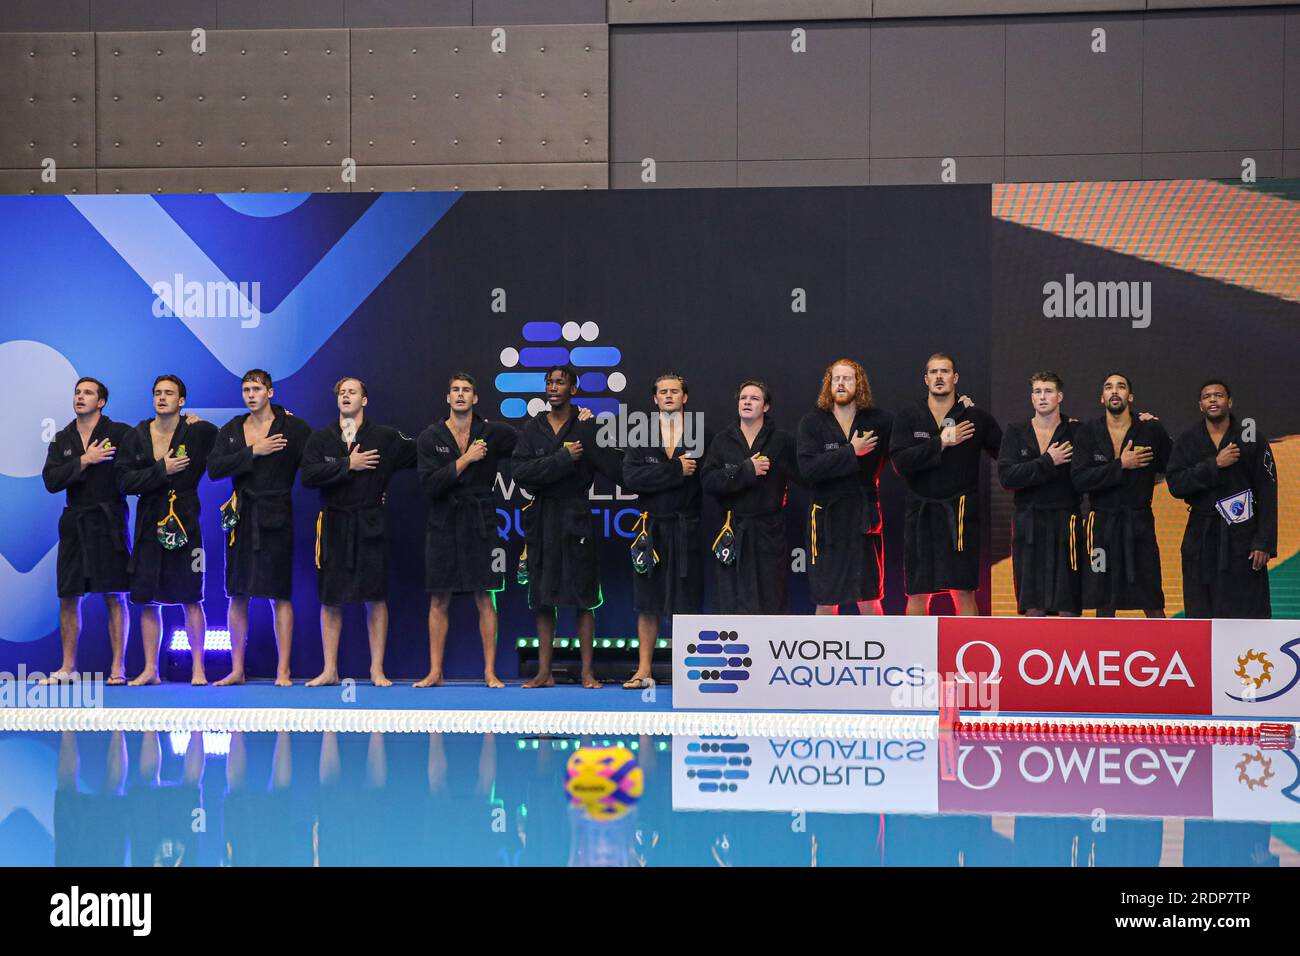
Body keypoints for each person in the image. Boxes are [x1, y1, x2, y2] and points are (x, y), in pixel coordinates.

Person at [511, 364, 623, 688]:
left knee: (584, 595)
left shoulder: (585, 425)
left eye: (560, 382)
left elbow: (612, 466)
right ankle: (544, 672)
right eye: (549, 382)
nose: (553, 387)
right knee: (543, 596)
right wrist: (561, 459)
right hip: (543, 516)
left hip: (576, 515)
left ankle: (587, 671)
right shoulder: (532, 429)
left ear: (573, 390)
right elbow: (521, 473)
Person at [300, 377, 417, 686]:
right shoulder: (321, 438)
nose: (346, 396)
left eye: (352, 392)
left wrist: (458, 428)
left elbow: (423, 451)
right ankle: (329, 669)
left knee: (375, 597)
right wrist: (346, 464)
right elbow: (308, 476)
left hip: (369, 524)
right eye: (341, 392)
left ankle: (376, 669)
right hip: (334, 525)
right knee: (330, 598)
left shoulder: (385, 437)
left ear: (364, 400)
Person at [206, 369, 312, 686]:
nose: (251, 394)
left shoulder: (293, 427)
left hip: (276, 513)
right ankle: (237, 669)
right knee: (237, 593)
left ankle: (283, 670)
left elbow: (314, 465)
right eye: (246, 390)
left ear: (270, 392)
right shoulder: (233, 429)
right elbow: (213, 468)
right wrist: (254, 451)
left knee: (279, 594)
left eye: (256, 389)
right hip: (242, 515)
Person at [415, 372, 518, 689]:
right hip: (443, 521)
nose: (460, 394)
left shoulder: (492, 432)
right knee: (438, 599)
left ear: (475, 398)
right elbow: (430, 484)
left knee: (486, 597)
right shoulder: (431, 436)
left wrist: (579, 420)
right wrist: (467, 459)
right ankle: (435, 671)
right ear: (448, 398)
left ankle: (490, 671)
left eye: (466, 390)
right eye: (455, 390)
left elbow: (536, 440)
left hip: (481, 522)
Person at [116, 375, 219, 685]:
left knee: (192, 596)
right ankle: (151, 669)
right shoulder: (136, 435)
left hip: (187, 522)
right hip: (149, 522)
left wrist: (282, 422)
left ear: (182, 400)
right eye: (158, 393)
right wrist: (162, 470)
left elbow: (235, 439)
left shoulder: (198, 432)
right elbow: (123, 482)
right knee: (147, 598)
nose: (162, 398)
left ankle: (198, 668)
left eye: (169, 393)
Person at [890, 353, 1002, 615]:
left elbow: (1008, 454)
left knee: (963, 590)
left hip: (960, 514)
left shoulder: (974, 417)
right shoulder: (909, 417)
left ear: (956, 377)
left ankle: (967, 651)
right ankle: (915, 654)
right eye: (934, 372)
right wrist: (941, 441)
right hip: (921, 514)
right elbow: (900, 462)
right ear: (926, 379)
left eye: (945, 371)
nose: (939, 376)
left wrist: (1066, 434)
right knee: (918, 592)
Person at [41, 377, 133, 684]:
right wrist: (84, 460)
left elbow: (150, 444)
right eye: (77, 392)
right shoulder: (61, 439)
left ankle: (118, 668)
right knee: (69, 596)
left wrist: (190, 421)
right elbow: (51, 481)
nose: (80, 397)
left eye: (88, 393)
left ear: (101, 401)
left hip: (108, 521)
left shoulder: (119, 433)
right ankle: (68, 667)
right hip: (75, 521)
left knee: (114, 594)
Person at [621, 373, 710, 688]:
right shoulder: (641, 435)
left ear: (685, 398)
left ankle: (687, 672)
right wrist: (674, 470)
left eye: (675, 391)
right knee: (648, 601)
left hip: (687, 527)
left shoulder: (702, 435)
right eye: (663, 392)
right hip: (651, 528)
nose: (669, 396)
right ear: (655, 399)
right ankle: (643, 669)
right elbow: (631, 479)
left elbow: (709, 480)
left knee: (685, 602)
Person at [1167, 380, 1277, 619]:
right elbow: (1176, 484)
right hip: (1201, 535)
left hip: (1243, 537)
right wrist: (1214, 465)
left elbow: (1267, 491)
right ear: (1200, 405)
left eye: (1218, 395)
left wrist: (1264, 542)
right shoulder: (1187, 441)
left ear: (1229, 402)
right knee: (1201, 607)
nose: (1213, 400)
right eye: (1207, 396)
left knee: (1247, 607)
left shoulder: (1250, 438)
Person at [1069, 373, 1172, 617]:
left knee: (1152, 598)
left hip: (1139, 522)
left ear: (1131, 396)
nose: (1115, 391)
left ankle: (1165, 650)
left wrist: (1161, 432)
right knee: (1103, 598)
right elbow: (1079, 480)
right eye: (1108, 387)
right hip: (1100, 526)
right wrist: (1120, 465)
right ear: (1101, 398)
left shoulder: (1150, 429)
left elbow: (1175, 466)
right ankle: (1102, 652)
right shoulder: (1088, 432)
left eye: (1121, 387)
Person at [796, 360, 893, 614]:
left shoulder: (880, 421)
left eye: (847, 378)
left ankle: (879, 652)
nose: (840, 383)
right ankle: (824, 654)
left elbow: (906, 449)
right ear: (828, 385)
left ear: (859, 384)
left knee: (870, 597)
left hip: (863, 517)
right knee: (826, 599)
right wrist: (851, 452)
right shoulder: (813, 422)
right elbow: (808, 470)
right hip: (826, 518)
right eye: (835, 379)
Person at [701, 380, 798, 614]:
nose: (747, 402)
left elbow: (805, 474)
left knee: (771, 596)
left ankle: (767, 648)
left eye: (754, 398)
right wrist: (745, 470)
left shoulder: (782, 441)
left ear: (766, 407)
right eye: (743, 398)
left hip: (768, 530)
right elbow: (709, 481)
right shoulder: (722, 440)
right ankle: (736, 649)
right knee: (731, 597)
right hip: (732, 530)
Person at [996, 371, 1081, 616]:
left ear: (1060, 396)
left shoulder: (1076, 431)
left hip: (1066, 520)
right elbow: (1007, 478)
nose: (1042, 397)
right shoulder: (1016, 431)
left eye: (1048, 391)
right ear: (1032, 398)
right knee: (1032, 603)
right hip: (1028, 521)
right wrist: (1047, 461)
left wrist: (1140, 418)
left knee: (1068, 600)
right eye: (1037, 391)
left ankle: (1070, 650)